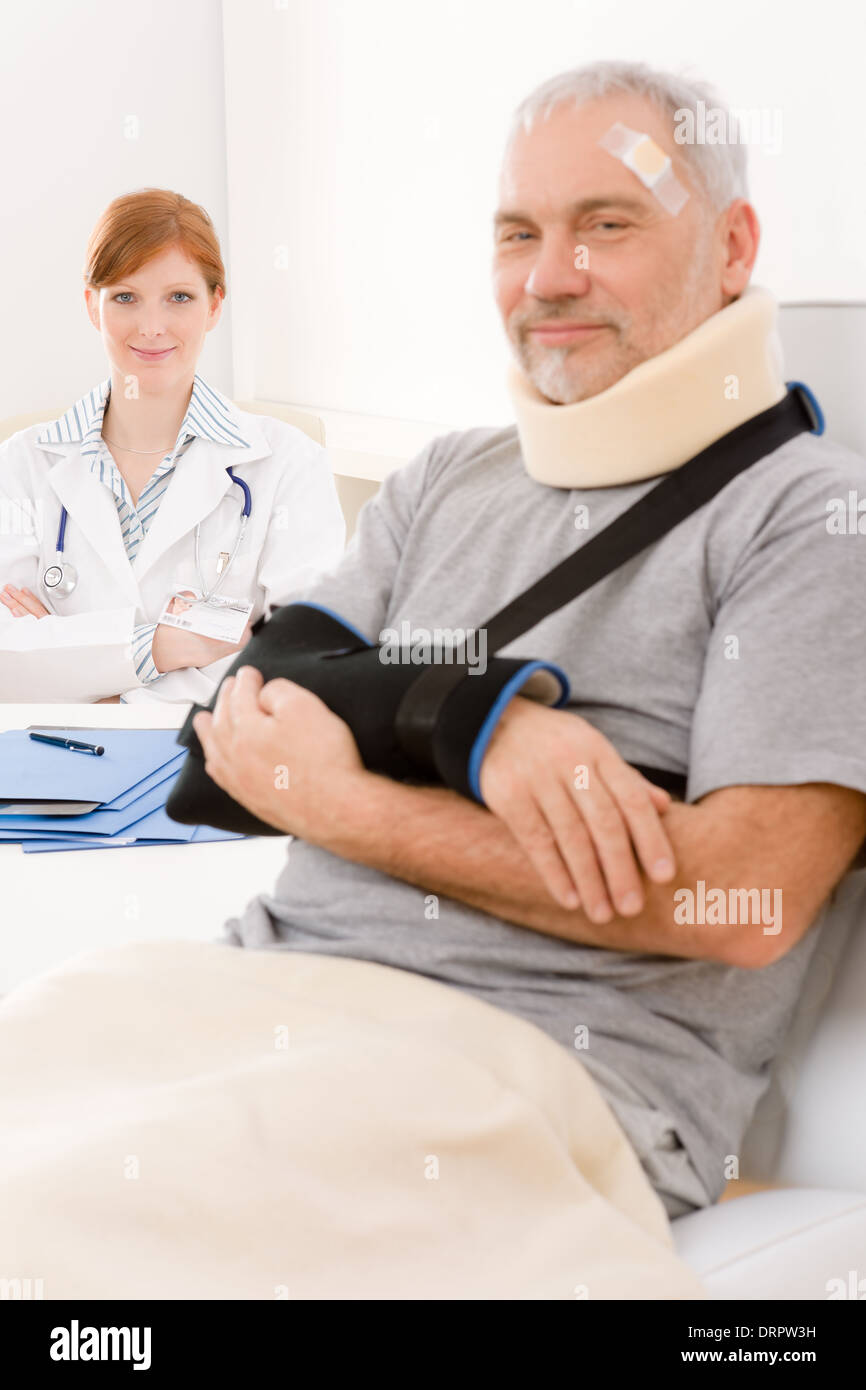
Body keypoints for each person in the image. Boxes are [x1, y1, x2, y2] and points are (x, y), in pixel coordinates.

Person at [190, 61, 866, 1223]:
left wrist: (347, 800)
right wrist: (481, 726)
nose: (551, 277)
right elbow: (235, 732)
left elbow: (743, 900)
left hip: (531, 1079)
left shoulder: (807, 521)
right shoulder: (450, 473)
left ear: (732, 245)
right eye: (518, 232)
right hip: (254, 1003)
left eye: (607, 223)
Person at [0, 189, 345, 703]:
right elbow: (8, 664)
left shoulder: (288, 462)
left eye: (179, 297)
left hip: (211, 762)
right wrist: (159, 647)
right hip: (54, 762)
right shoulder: (22, 463)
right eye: (125, 297)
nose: (152, 326)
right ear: (92, 307)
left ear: (215, 305)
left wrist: (97, 682)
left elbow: (308, 659)